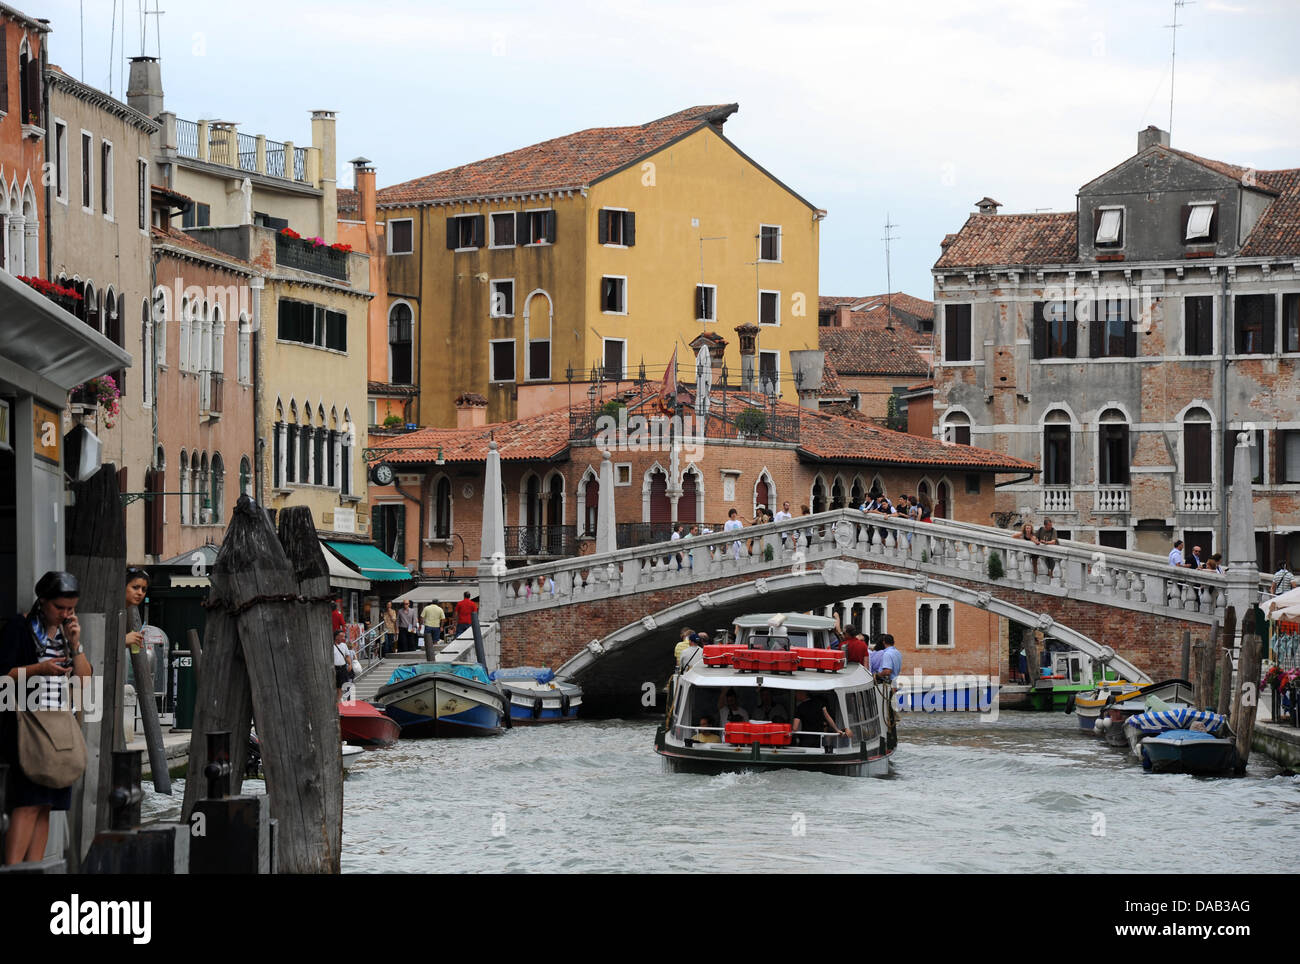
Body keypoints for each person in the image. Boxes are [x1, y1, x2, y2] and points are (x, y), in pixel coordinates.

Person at [0, 571, 92, 866]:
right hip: (27, 726)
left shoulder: (68, 635)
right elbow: (4, 675)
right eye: (60, 608)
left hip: (59, 728)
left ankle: (35, 868)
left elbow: (84, 681)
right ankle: (14, 868)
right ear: (43, 602)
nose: (65, 614)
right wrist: (39, 670)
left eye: (71, 608)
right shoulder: (20, 627)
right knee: (27, 803)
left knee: (47, 805)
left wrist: (75, 644)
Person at [333, 628, 355, 702]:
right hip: (334, 668)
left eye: (344, 636)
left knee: (341, 686)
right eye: (341, 636)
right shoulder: (331, 646)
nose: (343, 638)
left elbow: (347, 656)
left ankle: (338, 701)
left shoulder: (344, 645)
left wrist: (350, 664)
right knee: (334, 685)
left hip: (342, 667)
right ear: (336, 636)